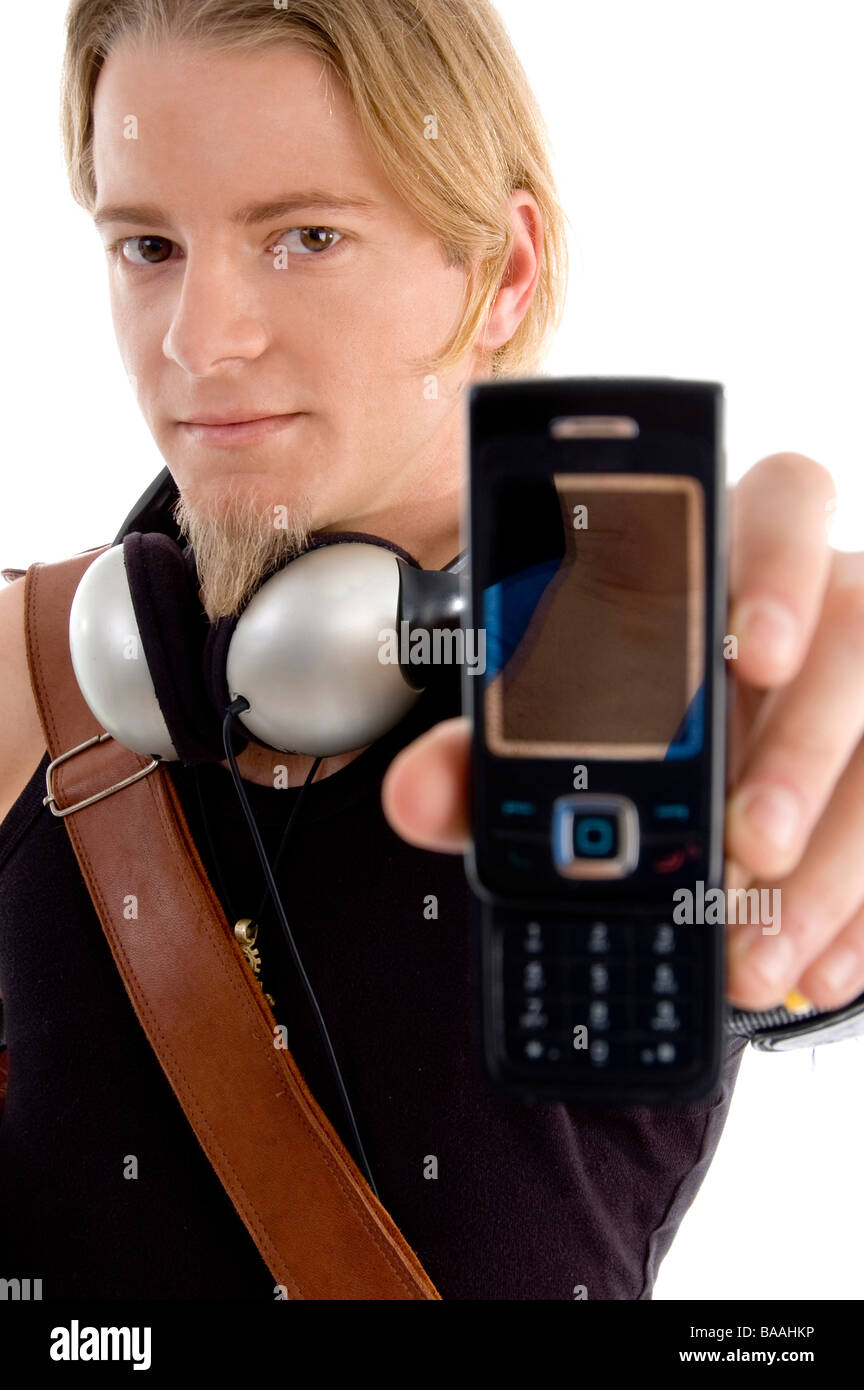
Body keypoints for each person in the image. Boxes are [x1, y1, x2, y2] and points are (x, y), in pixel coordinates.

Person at [0, 0, 861, 1301]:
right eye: (151, 245)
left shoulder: (651, 685)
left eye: (304, 236)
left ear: (502, 273)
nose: (198, 340)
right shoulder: (29, 672)